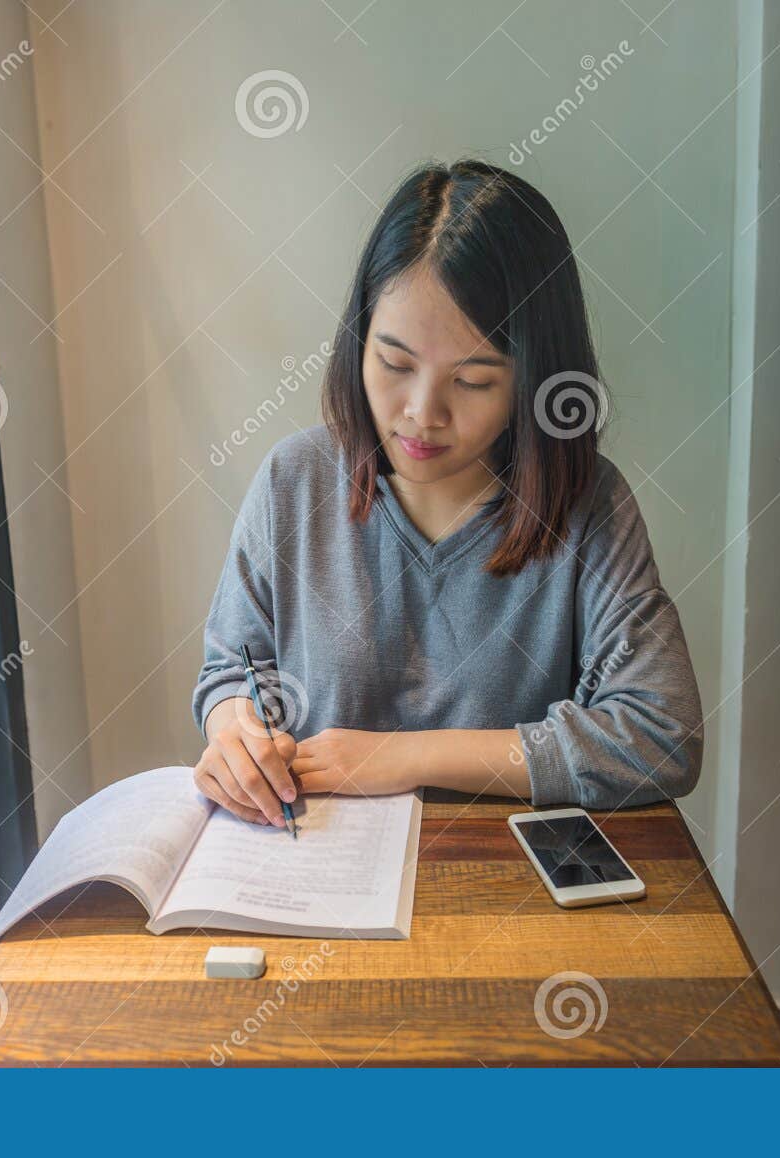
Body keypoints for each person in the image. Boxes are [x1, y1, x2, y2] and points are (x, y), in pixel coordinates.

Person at [190, 158, 702, 826]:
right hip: (317, 863)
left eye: (472, 381)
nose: (422, 413)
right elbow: (234, 670)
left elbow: (662, 736)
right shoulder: (295, 481)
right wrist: (235, 732)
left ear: (533, 379)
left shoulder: (588, 506)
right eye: (394, 363)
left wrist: (405, 757)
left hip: (500, 875)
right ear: (359, 341)